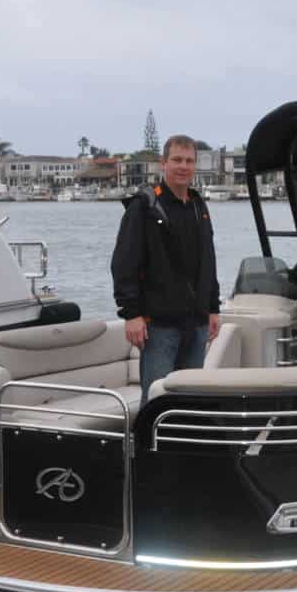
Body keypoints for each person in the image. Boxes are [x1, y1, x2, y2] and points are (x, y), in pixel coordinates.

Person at [111, 135, 221, 402]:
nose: (183, 166)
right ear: (164, 163)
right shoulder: (144, 206)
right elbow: (124, 262)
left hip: (196, 323)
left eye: (189, 161)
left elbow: (208, 259)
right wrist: (131, 314)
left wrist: (213, 307)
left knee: (191, 402)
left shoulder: (198, 205)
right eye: (177, 160)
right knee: (157, 400)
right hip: (159, 326)